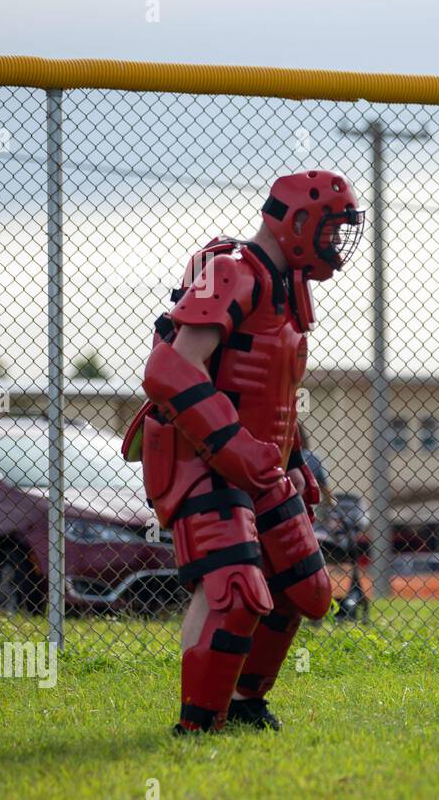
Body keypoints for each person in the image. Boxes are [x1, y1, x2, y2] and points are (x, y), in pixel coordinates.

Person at [123, 169, 364, 733]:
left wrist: (295, 460)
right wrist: (233, 446)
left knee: (303, 586)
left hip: (260, 462)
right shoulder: (233, 273)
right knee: (234, 591)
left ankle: (245, 704)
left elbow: (273, 391)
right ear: (299, 222)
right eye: (331, 228)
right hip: (199, 456)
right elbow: (168, 369)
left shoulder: (291, 290)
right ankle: (198, 724)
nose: (336, 242)